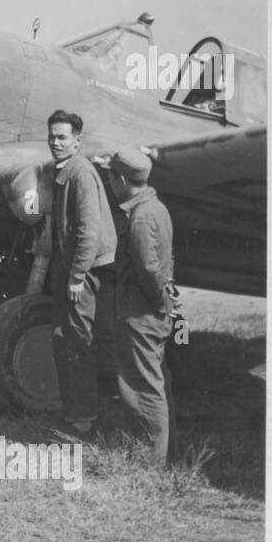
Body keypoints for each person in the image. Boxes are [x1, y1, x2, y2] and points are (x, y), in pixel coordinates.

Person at [46, 110, 118, 433]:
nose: (56, 143)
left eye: (62, 137)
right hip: (73, 267)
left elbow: (89, 231)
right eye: (52, 136)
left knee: (78, 340)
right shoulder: (67, 170)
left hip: (82, 272)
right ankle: (74, 412)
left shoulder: (80, 173)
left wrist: (76, 276)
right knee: (65, 337)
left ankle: (84, 419)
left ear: (78, 141)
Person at [105, 149, 176, 464]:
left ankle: (149, 462)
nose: (109, 181)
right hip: (149, 311)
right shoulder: (155, 207)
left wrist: (160, 303)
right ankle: (155, 452)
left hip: (141, 313)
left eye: (110, 176)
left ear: (121, 179)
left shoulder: (142, 215)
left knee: (143, 388)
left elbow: (147, 268)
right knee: (151, 382)